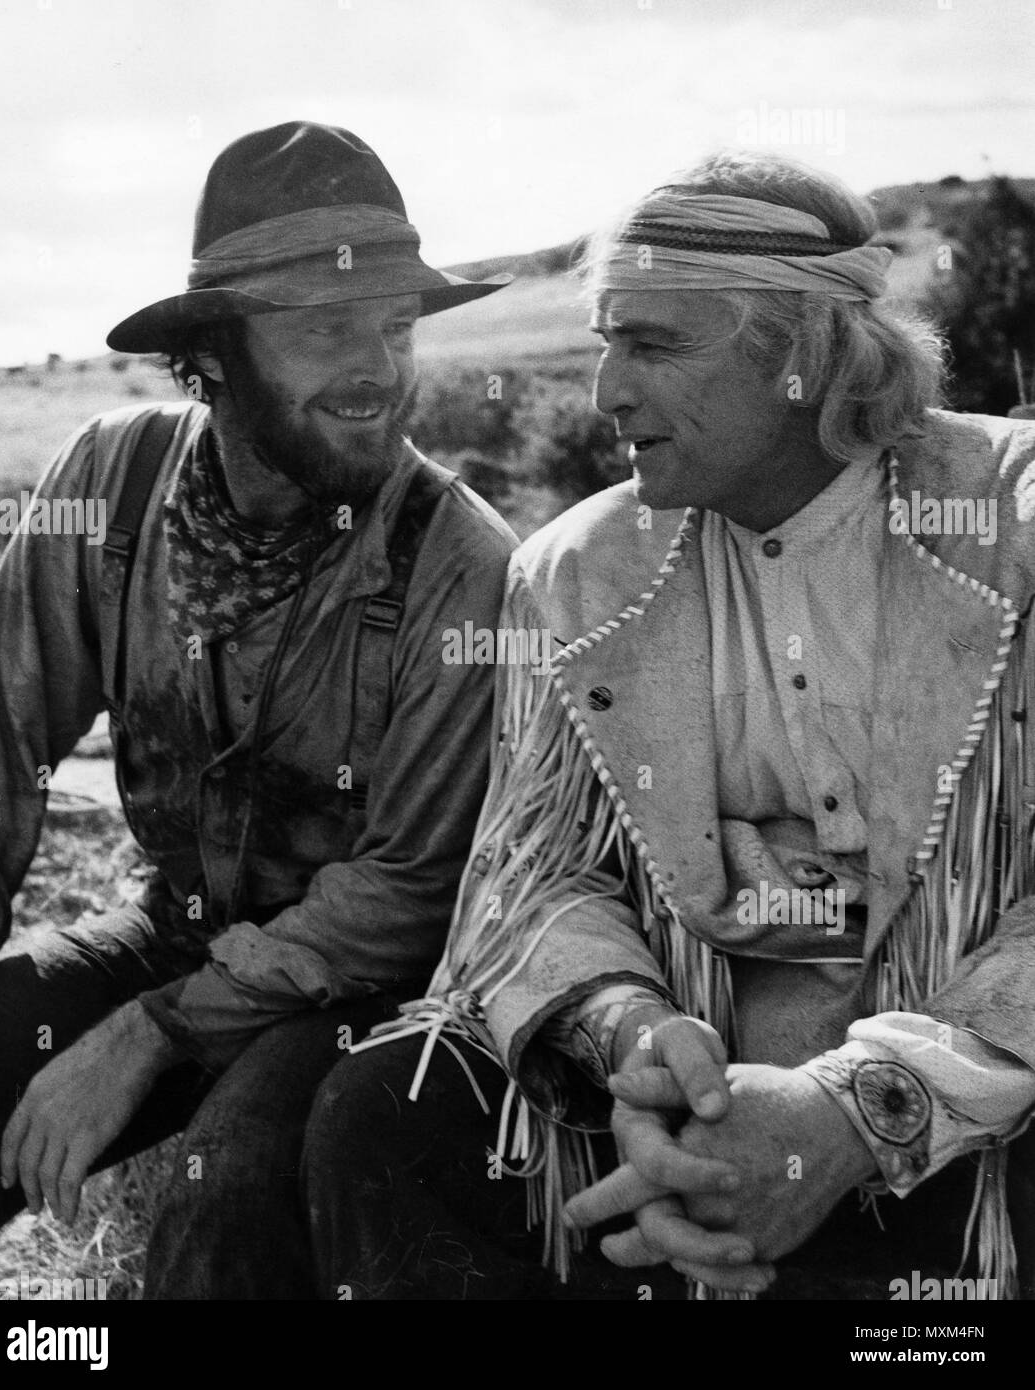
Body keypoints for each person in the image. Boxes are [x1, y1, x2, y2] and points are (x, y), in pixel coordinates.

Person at [303, 150, 1035, 1300]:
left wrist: (851, 1111)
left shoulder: (1013, 522)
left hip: (969, 1107)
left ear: (796, 354)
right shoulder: (573, 574)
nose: (605, 392)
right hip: (677, 1107)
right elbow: (529, 875)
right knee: (383, 1113)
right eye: (602, 339)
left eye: (649, 343)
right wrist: (630, 1037)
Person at [0, 120, 516, 1299]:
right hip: (173, 929)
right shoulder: (108, 483)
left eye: (394, 325)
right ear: (211, 354)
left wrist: (157, 1029)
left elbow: (410, 887)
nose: (378, 367)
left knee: (223, 1203)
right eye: (324, 328)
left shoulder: (460, 562)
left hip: (363, 991)